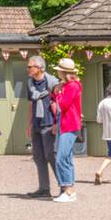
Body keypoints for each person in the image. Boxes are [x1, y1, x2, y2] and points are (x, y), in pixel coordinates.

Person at [23, 55, 60, 196]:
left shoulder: (52, 82)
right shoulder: (30, 83)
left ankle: (64, 187)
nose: (28, 69)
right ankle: (44, 189)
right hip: (37, 124)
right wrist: (29, 124)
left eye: (30, 66)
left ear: (39, 68)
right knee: (38, 157)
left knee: (51, 155)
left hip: (49, 123)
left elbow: (59, 103)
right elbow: (31, 104)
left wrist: (57, 122)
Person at [52, 57, 82, 203]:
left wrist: (58, 92)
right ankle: (70, 190)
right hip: (65, 124)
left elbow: (63, 104)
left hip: (69, 124)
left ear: (63, 72)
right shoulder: (68, 85)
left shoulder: (72, 86)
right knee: (67, 158)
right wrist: (58, 90)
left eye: (59, 71)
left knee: (61, 158)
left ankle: (68, 190)